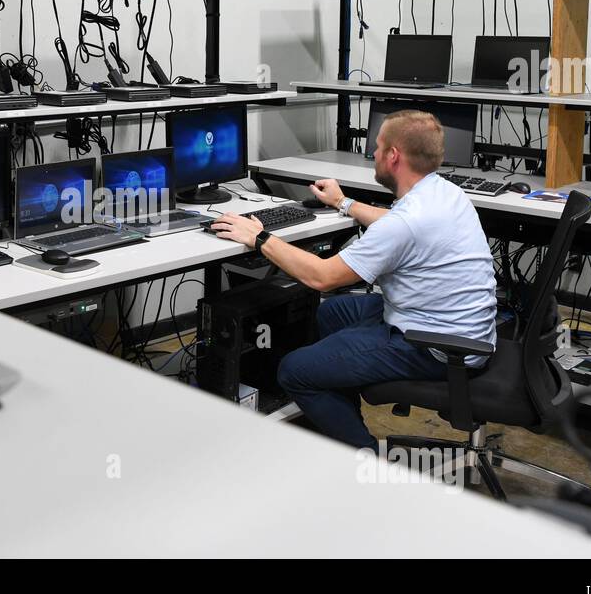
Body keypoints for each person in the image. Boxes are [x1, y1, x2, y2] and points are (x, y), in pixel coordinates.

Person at [208, 109, 496, 448]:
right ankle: (341, 408)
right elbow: (395, 220)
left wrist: (258, 237)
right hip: (461, 330)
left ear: (393, 156)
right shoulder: (444, 193)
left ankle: (363, 454)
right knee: (332, 313)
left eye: (377, 147)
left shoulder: (405, 223)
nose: (372, 154)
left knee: (293, 371)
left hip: (433, 347)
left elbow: (322, 277)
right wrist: (343, 202)